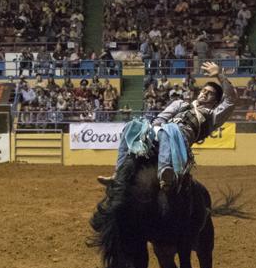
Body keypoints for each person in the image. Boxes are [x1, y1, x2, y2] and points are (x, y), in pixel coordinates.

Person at [98, 61, 236, 190]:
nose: (204, 94)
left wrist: (219, 75)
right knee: (131, 126)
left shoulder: (213, 115)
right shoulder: (181, 104)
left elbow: (230, 99)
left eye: (210, 93)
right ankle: (119, 173)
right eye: (204, 91)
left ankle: (165, 172)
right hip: (162, 132)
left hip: (181, 139)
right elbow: (161, 118)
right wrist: (151, 130)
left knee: (167, 130)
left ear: (216, 100)